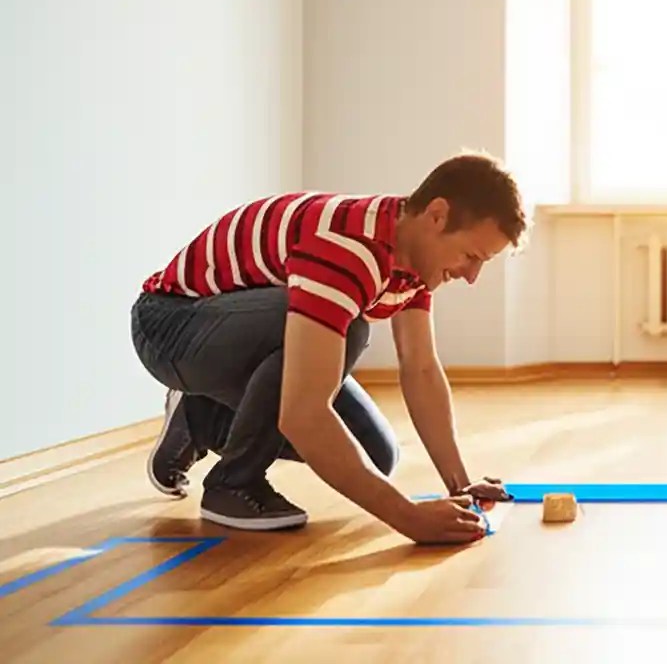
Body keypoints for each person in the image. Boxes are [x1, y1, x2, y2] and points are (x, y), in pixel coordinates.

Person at [131, 152, 525, 544]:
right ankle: (233, 484)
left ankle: (199, 416)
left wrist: (461, 486)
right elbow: (304, 415)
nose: (472, 276)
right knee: (349, 331)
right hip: (170, 326)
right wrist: (408, 519)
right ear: (437, 215)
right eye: (472, 257)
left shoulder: (412, 261)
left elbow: (420, 368)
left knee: (376, 457)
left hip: (224, 333)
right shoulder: (351, 248)